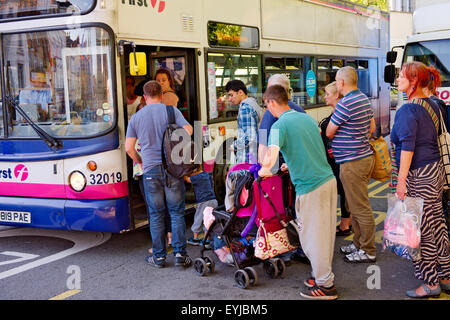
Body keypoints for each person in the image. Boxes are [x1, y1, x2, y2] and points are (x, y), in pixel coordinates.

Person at [259, 84, 338, 300]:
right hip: (327, 180)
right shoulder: (306, 118)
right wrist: (290, 165)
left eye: (267, 105)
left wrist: (266, 169)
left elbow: (270, 158)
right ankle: (321, 275)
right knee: (323, 235)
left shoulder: (279, 125)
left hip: (311, 187)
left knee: (313, 237)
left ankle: (326, 285)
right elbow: (311, 149)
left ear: (271, 102)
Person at [390, 61, 450, 298]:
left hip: (417, 174)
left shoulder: (407, 109)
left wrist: (401, 181)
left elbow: (407, 147)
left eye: (401, 76)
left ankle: (430, 283)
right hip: (435, 172)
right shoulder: (433, 105)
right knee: (437, 224)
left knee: (420, 230)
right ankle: (445, 275)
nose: (397, 80)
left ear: (413, 81)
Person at [125, 80, 193, 269]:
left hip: (150, 171)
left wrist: (140, 160)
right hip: (172, 169)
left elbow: (129, 148)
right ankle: (180, 254)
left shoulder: (136, 118)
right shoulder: (171, 111)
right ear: (161, 95)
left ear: (144, 97)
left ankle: (159, 257)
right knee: (177, 212)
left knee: (155, 215)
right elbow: (189, 130)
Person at [326, 66, 376, 264]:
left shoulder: (346, 103)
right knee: (354, 206)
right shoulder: (363, 98)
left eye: (336, 81)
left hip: (353, 161)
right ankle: (358, 244)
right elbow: (372, 127)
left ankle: (368, 249)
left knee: (360, 208)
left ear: (342, 83)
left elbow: (329, 132)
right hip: (361, 158)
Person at [257, 74, 309, 266]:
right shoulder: (299, 110)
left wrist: (262, 168)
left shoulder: (270, 115)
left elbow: (263, 148)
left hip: (277, 172)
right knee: (298, 210)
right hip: (299, 171)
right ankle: (303, 247)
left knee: (277, 210)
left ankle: (281, 246)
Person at [319, 82, 352, 236]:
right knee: (341, 190)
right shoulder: (337, 110)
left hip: (338, 157)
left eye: (327, 94)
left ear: (337, 95)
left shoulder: (340, 111)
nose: (325, 97)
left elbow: (329, 133)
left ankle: (346, 223)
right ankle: (346, 222)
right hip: (335, 158)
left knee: (343, 190)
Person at [225, 79, 263, 164]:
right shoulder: (253, 103)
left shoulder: (245, 108)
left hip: (247, 158)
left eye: (231, 95)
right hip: (254, 155)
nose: (230, 99)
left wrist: (234, 145)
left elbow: (250, 136)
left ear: (240, 92)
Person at [185, 168, 218, 246]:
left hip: (203, 202)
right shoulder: (207, 174)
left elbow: (188, 180)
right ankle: (206, 240)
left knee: (198, 218)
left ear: (194, 171)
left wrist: (183, 174)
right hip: (213, 200)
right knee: (208, 220)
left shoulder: (197, 176)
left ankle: (195, 239)